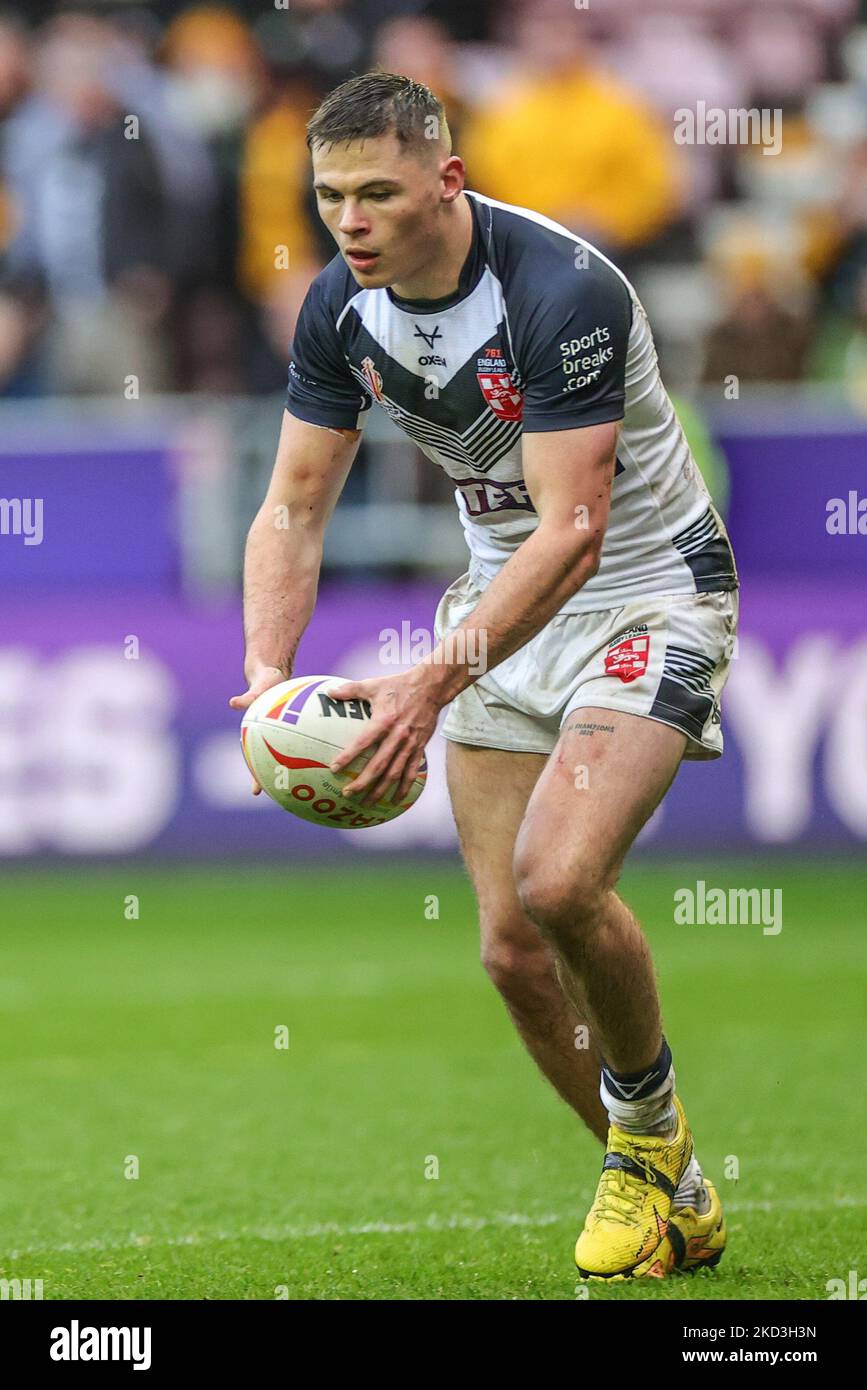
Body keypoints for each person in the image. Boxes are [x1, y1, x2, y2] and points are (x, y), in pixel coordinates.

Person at [230, 72, 738, 1282]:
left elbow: (571, 530)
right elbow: (294, 508)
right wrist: (266, 676)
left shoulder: (561, 290)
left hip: (644, 591)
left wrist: (422, 688)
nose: (348, 220)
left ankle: (644, 1145)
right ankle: (677, 1181)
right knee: (510, 950)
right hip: (501, 605)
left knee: (560, 880)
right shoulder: (337, 308)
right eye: (330, 195)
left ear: (447, 181)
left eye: (376, 193)